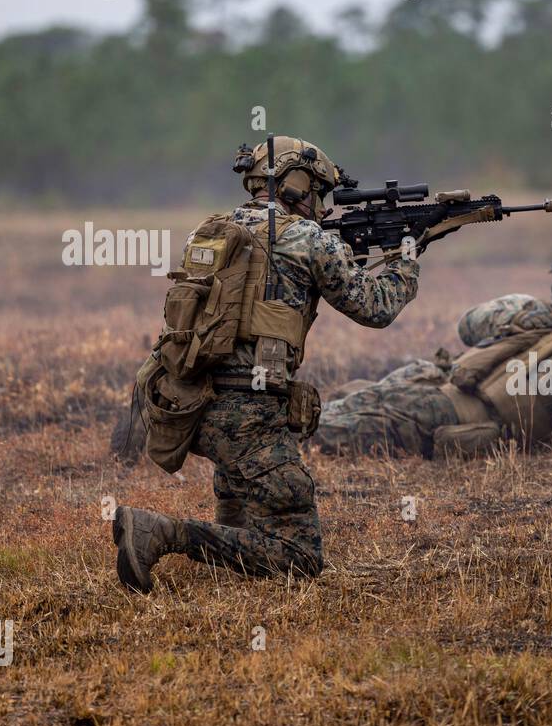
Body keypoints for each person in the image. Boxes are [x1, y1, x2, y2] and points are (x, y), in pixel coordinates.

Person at [111, 136, 419, 592]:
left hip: (188, 401)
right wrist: (405, 263)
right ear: (298, 184)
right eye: (318, 192)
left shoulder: (210, 231)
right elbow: (375, 307)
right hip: (247, 416)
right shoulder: (308, 238)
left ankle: (228, 555)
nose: (322, 206)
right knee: (300, 556)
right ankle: (161, 532)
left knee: (242, 475)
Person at [313, 258, 552, 457]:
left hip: (427, 383)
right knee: (320, 433)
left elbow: (469, 327)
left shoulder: (545, 324)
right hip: (445, 413)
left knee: (331, 413)